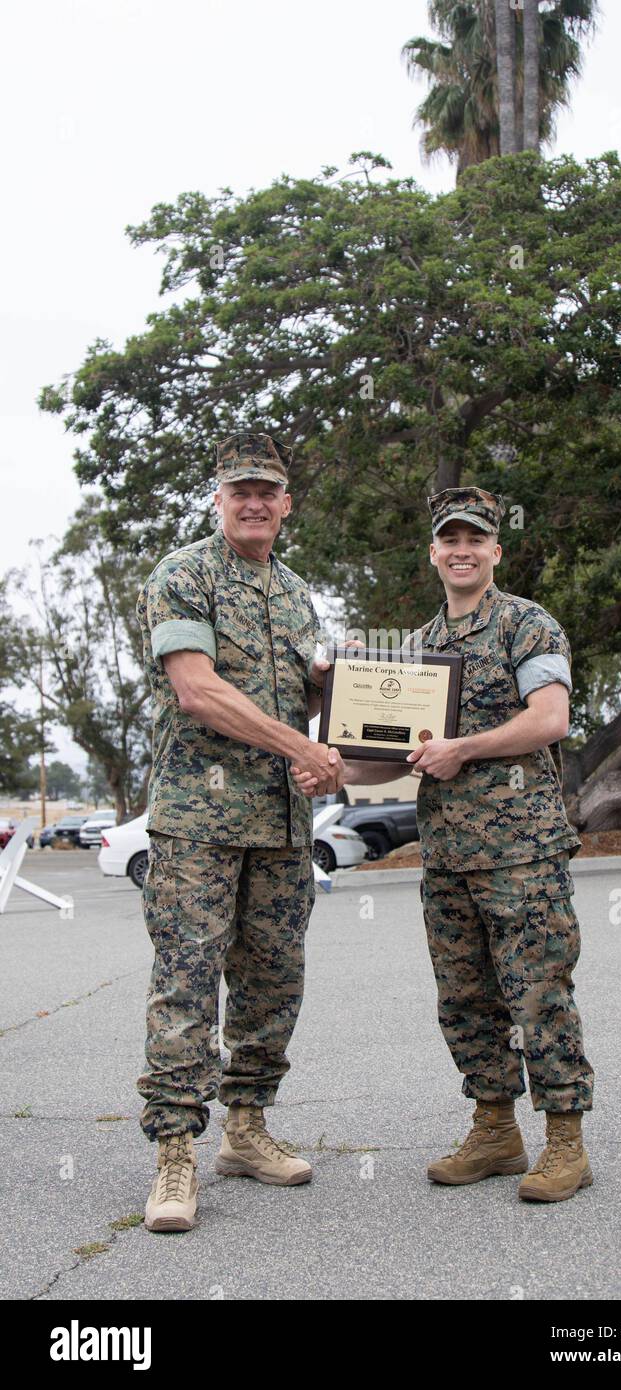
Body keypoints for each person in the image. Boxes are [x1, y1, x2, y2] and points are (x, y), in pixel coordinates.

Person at [293, 486, 594, 1203]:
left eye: (474, 539)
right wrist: (328, 763)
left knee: (538, 993)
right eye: (448, 540)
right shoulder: (421, 651)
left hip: (520, 850)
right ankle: (494, 1131)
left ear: (495, 550)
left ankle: (565, 1142)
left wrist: (466, 749)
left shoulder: (525, 624)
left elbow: (548, 719)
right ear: (433, 553)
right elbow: (394, 757)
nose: (461, 550)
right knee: (463, 998)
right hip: (449, 855)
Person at [136, 431, 344, 1232]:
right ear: (218, 500)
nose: (253, 503)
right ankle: (175, 1152)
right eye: (239, 491)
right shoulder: (182, 575)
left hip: (282, 825)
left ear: (285, 505)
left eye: (267, 491)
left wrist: (346, 696)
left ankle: (247, 1128)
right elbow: (198, 692)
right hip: (199, 819)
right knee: (187, 983)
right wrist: (303, 746)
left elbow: (310, 702)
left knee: (271, 983)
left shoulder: (295, 594)